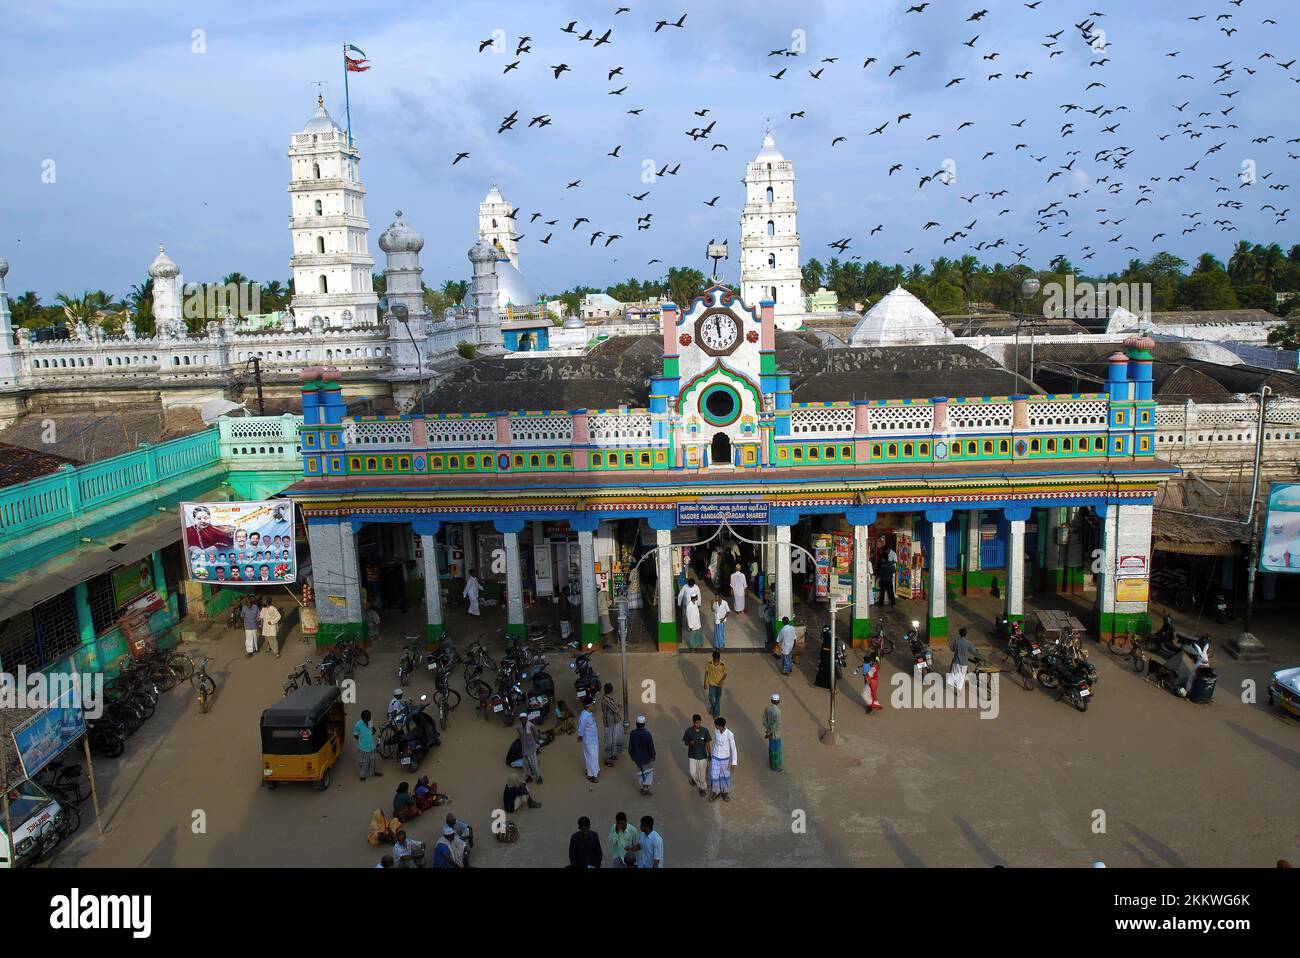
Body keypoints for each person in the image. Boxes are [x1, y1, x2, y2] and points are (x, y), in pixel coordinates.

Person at [708, 716, 738, 803]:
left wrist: (734, 763)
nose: (715, 727)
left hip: (725, 759)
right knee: (714, 775)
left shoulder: (730, 734)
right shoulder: (716, 731)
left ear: (720, 726)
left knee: (725, 776)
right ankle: (716, 792)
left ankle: (725, 793)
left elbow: (733, 748)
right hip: (715, 758)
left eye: (716, 726)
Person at [682, 714, 712, 796]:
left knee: (702, 774)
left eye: (699, 723)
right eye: (696, 723)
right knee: (692, 772)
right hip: (692, 756)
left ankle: (702, 788)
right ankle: (695, 780)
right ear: (693, 723)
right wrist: (689, 742)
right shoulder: (689, 731)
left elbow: (708, 743)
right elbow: (685, 742)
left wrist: (709, 754)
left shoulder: (705, 731)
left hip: (703, 756)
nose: (698, 725)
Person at [627, 715, 656, 795]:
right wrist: (653, 756)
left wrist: (631, 755)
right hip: (647, 758)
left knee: (640, 772)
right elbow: (651, 747)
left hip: (637, 758)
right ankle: (646, 787)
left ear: (636, 723)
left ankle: (643, 787)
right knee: (648, 772)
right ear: (644, 724)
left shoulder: (632, 733)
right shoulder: (647, 734)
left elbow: (630, 746)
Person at [947, 627, 981, 691]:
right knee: (962, 676)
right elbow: (973, 651)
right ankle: (958, 688)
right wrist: (977, 651)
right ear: (965, 634)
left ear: (959, 634)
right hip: (964, 662)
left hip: (956, 661)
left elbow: (952, 649)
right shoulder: (968, 643)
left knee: (954, 673)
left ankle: (951, 684)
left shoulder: (956, 641)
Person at [353, 709, 382, 781]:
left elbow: (373, 729)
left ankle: (372, 773)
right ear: (363, 718)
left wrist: (373, 730)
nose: (370, 718)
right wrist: (361, 740)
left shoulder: (370, 721)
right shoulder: (358, 725)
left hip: (372, 746)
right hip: (363, 748)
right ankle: (362, 776)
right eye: (368, 717)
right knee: (363, 762)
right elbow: (355, 734)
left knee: (372, 760)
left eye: (370, 716)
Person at [577, 699, 601, 782]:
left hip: (593, 739)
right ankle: (592, 775)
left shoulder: (588, 713)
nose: (594, 706)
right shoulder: (584, 716)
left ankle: (594, 770)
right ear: (588, 706)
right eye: (592, 705)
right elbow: (580, 728)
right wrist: (580, 736)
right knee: (591, 757)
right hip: (589, 741)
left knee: (594, 756)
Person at [601, 683, 625, 767]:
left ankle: (612, 754)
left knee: (613, 739)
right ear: (611, 690)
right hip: (610, 723)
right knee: (609, 740)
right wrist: (620, 707)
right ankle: (607, 759)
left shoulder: (607, 698)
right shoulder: (608, 700)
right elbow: (617, 709)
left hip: (612, 722)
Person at [517, 712, 543, 785]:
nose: (523, 720)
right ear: (520, 719)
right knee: (525, 764)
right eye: (521, 719)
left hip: (531, 748)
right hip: (524, 749)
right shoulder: (519, 727)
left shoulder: (531, 726)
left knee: (534, 764)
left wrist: (537, 743)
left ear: (526, 719)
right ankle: (528, 777)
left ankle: (538, 777)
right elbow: (519, 736)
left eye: (524, 719)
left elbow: (535, 735)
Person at [814, 625, 841, 689]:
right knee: (827, 670)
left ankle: (830, 685)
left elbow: (826, 648)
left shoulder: (829, 638)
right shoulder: (831, 637)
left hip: (827, 656)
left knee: (826, 670)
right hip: (828, 656)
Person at [762, 693, 783, 771]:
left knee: (771, 749)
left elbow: (764, 720)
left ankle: (771, 763)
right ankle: (775, 767)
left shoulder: (767, 708)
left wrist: (767, 731)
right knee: (776, 750)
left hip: (769, 733)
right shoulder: (778, 712)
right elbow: (775, 725)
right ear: (778, 701)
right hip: (775, 735)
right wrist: (770, 733)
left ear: (771, 700)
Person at [704, 650, 727, 716]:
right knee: (711, 698)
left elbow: (725, 674)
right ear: (713, 658)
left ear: (719, 658)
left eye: (718, 659)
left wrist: (721, 681)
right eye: (716, 660)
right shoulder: (709, 663)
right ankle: (713, 707)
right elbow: (706, 672)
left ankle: (716, 714)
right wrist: (705, 682)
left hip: (719, 685)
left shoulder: (722, 664)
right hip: (711, 683)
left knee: (718, 699)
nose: (717, 661)